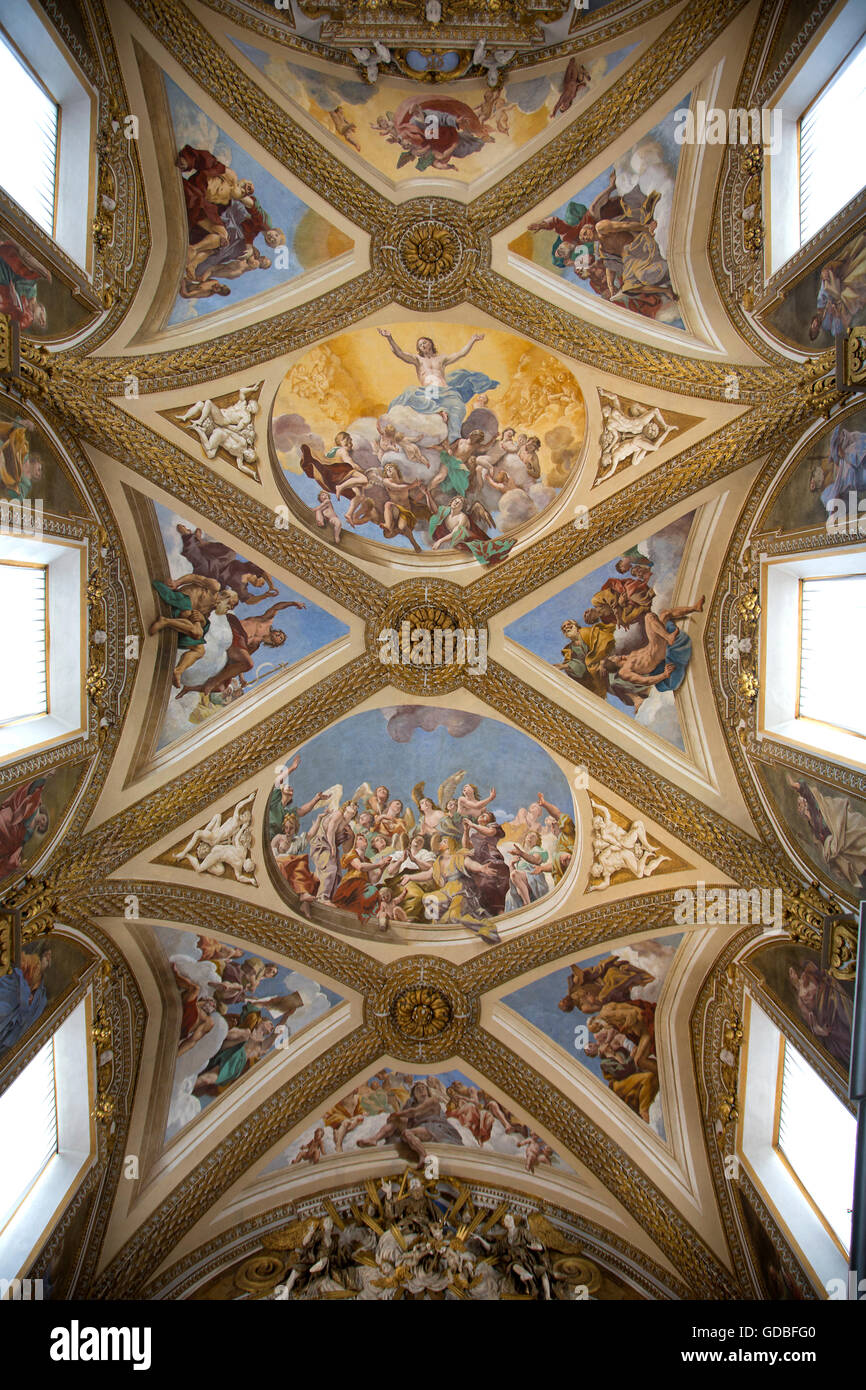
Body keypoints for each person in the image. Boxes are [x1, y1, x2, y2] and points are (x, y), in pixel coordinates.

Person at [378, 329, 498, 440]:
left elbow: (461, 354)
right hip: (430, 391)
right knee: (413, 397)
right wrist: (389, 338)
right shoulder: (418, 360)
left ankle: (454, 439)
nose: (422, 345)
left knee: (459, 407)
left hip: (445, 391)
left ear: (430, 343)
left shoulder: (441, 359)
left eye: (424, 342)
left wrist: (473, 340)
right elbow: (399, 353)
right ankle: (439, 412)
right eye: (420, 345)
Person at [178, 599, 305, 701]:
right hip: (236, 628)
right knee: (248, 663)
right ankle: (212, 681)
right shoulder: (267, 621)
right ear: (277, 630)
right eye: (280, 634)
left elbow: (241, 660)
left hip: (237, 644)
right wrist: (293, 603)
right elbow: (277, 607)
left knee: (222, 687)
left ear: (276, 644)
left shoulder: (255, 645)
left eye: (281, 639)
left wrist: (242, 678)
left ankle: (189, 688)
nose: (279, 636)